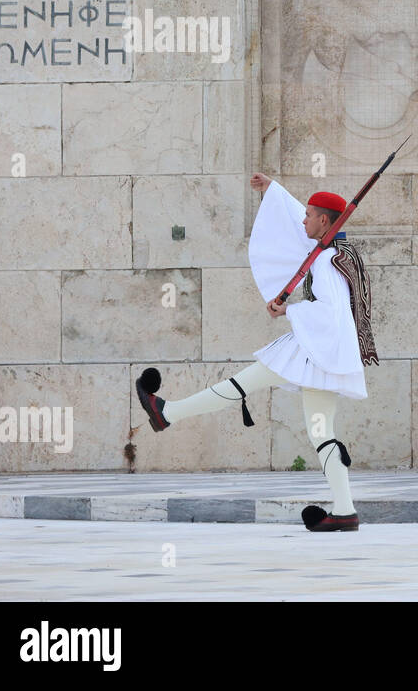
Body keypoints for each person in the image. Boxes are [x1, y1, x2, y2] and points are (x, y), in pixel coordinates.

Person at [134, 173, 378, 532]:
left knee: (240, 385)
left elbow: (330, 313)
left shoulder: (326, 263)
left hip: (312, 351)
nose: (303, 220)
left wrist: (288, 310)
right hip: (329, 357)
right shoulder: (342, 254)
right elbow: (308, 230)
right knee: (322, 432)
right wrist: (273, 190)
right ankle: (344, 511)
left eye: (310, 215)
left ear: (324, 221)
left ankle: (167, 412)